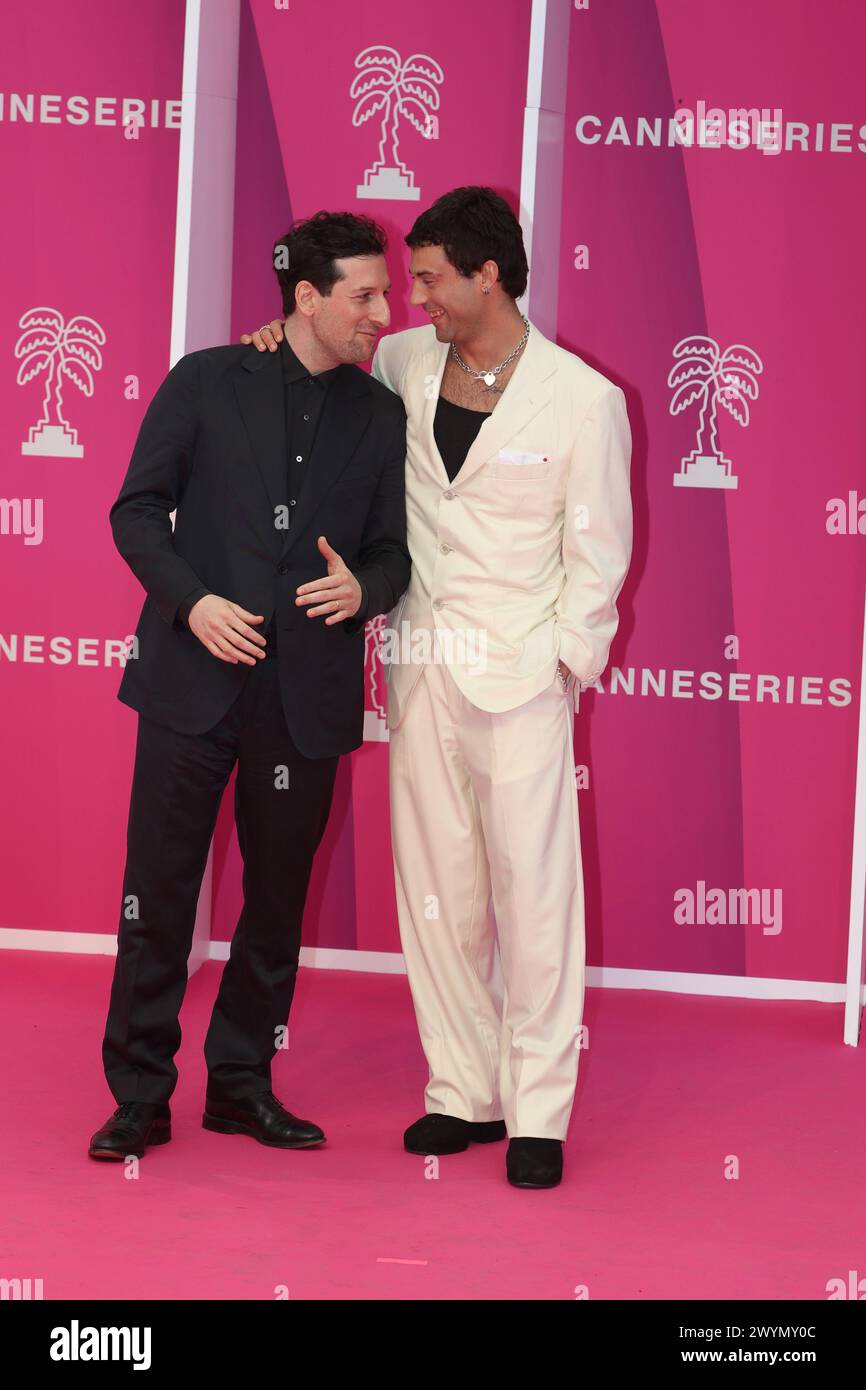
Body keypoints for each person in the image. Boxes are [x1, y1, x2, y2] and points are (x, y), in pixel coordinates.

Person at [243, 186, 633, 1188]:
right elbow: (319, 354)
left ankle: (538, 1108)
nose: (407, 300)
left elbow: (597, 559)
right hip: (419, 672)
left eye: (425, 278)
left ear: (486, 272)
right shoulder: (408, 363)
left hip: (521, 680)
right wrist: (272, 336)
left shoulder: (583, 399)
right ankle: (461, 1091)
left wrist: (560, 663)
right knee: (439, 894)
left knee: (535, 899)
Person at [90, 211, 410, 1161]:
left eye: (387, 292)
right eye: (364, 294)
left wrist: (366, 589)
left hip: (303, 699)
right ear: (305, 298)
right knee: (157, 896)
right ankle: (139, 1095)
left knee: (275, 905)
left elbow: (393, 553)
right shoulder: (204, 381)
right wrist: (191, 606)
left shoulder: (378, 413)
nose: (383, 313)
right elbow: (136, 510)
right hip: (191, 681)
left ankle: (240, 1085)